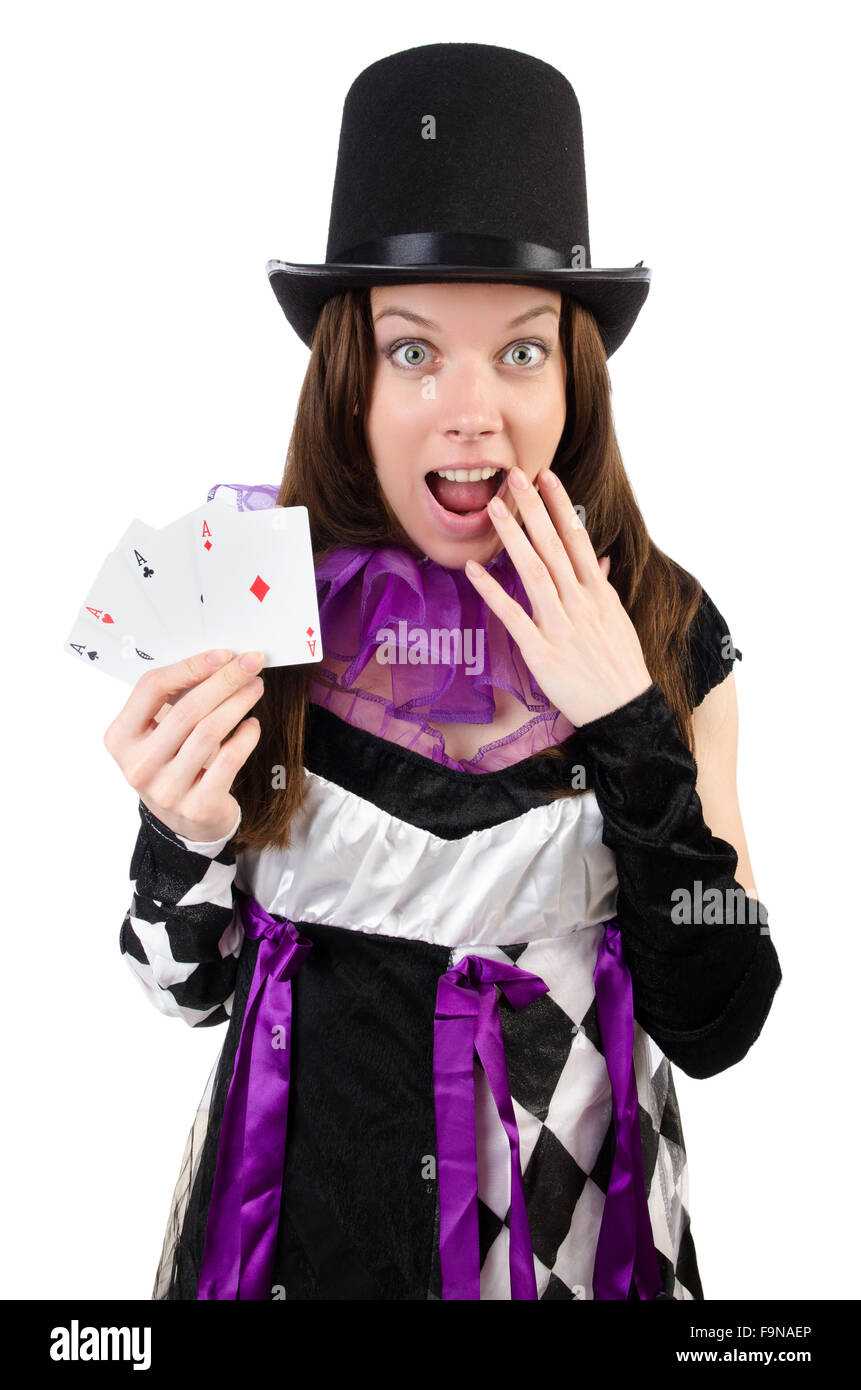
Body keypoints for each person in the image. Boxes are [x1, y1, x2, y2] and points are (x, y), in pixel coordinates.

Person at [103, 43, 781, 1301]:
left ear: (574, 376)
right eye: (414, 352)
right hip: (296, 1249)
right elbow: (181, 992)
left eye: (521, 351)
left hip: (576, 1260)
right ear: (350, 378)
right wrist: (174, 832)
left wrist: (628, 719)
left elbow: (722, 1013)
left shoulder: (664, 624)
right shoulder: (260, 614)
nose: (473, 410)